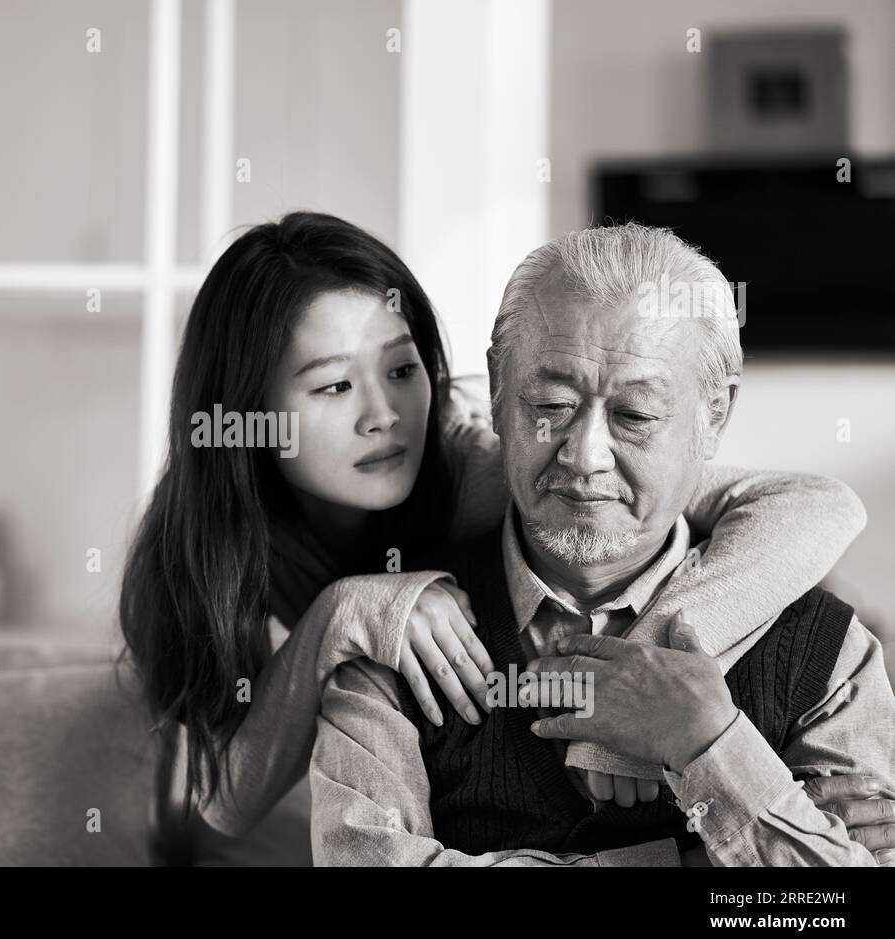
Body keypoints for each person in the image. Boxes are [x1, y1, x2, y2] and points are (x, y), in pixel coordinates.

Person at [118, 211, 876, 851]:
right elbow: (224, 801)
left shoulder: (485, 461)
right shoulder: (198, 551)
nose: (384, 414)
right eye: (333, 386)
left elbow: (814, 505)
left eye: (403, 370)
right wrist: (343, 615)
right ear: (247, 414)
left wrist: (644, 667)